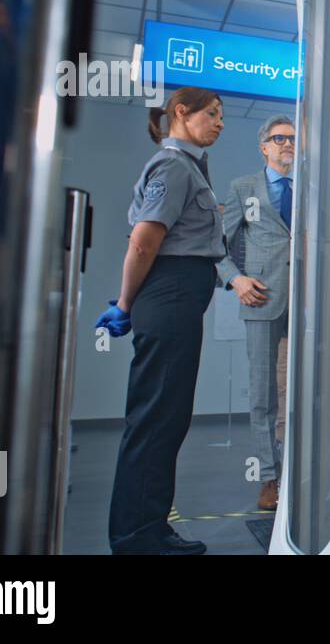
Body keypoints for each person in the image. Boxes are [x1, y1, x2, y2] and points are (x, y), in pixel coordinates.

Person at [96, 86, 226, 555]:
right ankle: (137, 537)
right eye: (211, 113)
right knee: (155, 419)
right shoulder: (173, 167)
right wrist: (125, 304)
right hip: (168, 293)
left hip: (178, 295)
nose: (220, 122)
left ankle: (149, 527)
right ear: (180, 113)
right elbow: (144, 242)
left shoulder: (190, 168)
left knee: (166, 419)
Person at [216, 115, 295, 511]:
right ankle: (269, 478)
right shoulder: (243, 188)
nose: (287, 145)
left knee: (309, 389)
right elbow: (219, 245)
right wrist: (236, 280)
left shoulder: (313, 190)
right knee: (264, 395)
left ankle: (304, 470)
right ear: (264, 147)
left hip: (311, 304)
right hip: (262, 299)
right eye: (279, 139)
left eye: (292, 140)